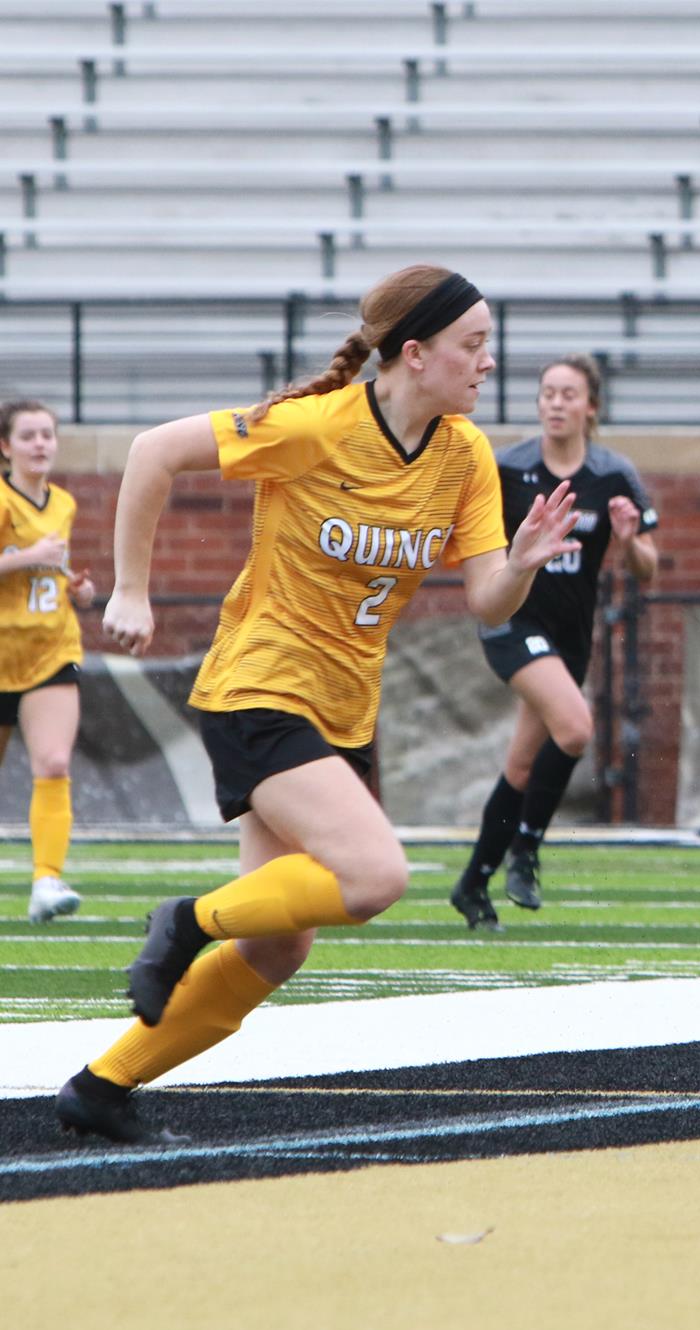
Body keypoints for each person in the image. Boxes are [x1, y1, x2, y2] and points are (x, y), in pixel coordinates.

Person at [51, 265, 579, 1143]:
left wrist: (520, 562)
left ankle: (101, 1086)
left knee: (279, 944)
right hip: (258, 686)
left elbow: (487, 600)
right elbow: (152, 451)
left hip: (341, 711)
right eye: (473, 345)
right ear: (415, 354)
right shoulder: (313, 425)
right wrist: (132, 590)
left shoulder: (463, 455)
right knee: (375, 877)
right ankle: (184, 920)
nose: (489, 363)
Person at [449, 354, 658, 929]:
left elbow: (648, 570)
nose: (556, 403)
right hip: (512, 623)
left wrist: (628, 541)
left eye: (569, 394)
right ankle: (527, 848)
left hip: (570, 636)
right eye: (547, 393)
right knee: (575, 727)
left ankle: (472, 884)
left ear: (591, 406)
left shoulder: (614, 475)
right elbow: (472, 541)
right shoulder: (507, 468)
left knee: (521, 766)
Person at [0, 400, 96, 924]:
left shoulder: (63, 501)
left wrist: (79, 591)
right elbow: (29, 561)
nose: (40, 444)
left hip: (50, 650)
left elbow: (50, 575)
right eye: (29, 435)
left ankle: (46, 879)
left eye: (47, 435)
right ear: (5, 445)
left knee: (54, 763)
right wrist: (25, 558)